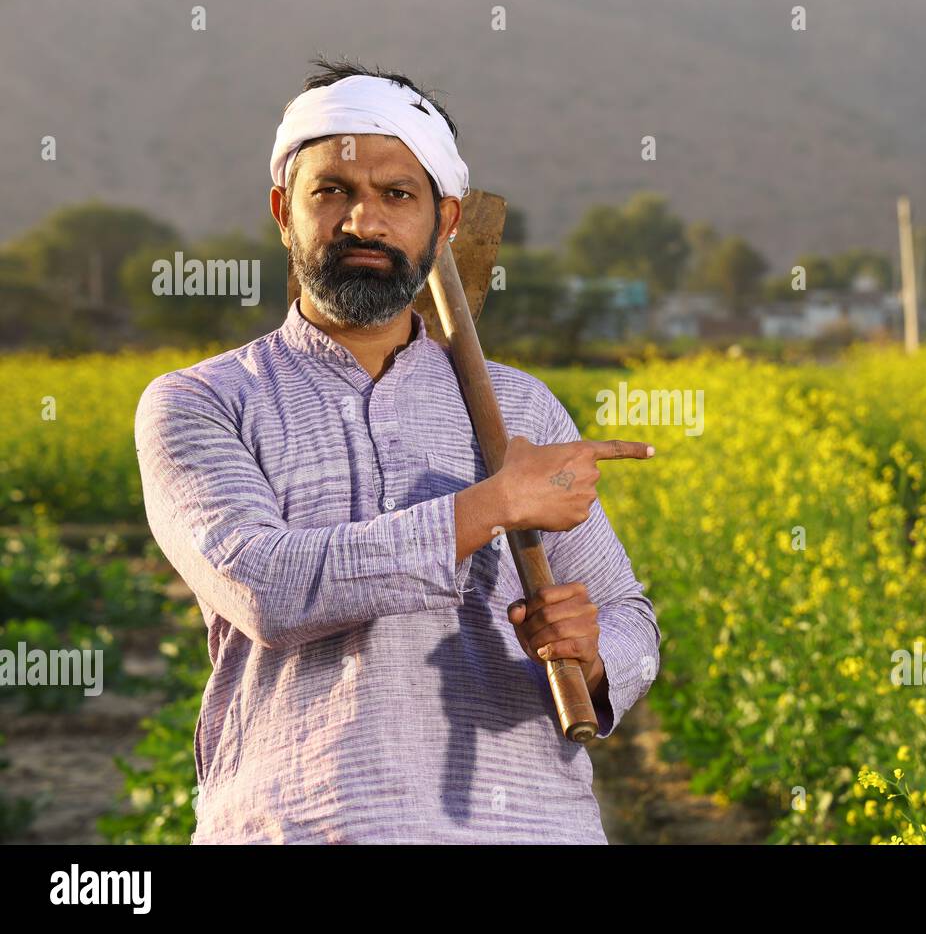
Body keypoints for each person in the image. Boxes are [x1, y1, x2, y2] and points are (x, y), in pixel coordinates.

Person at [134, 58, 661, 843]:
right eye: (333, 192)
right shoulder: (202, 401)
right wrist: (491, 506)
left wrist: (589, 656)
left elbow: (627, 616)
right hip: (297, 824)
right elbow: (266, 590)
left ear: (444, 224)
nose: (365, 223)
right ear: (284, 211)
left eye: (397, 195)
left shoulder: (519, 407)